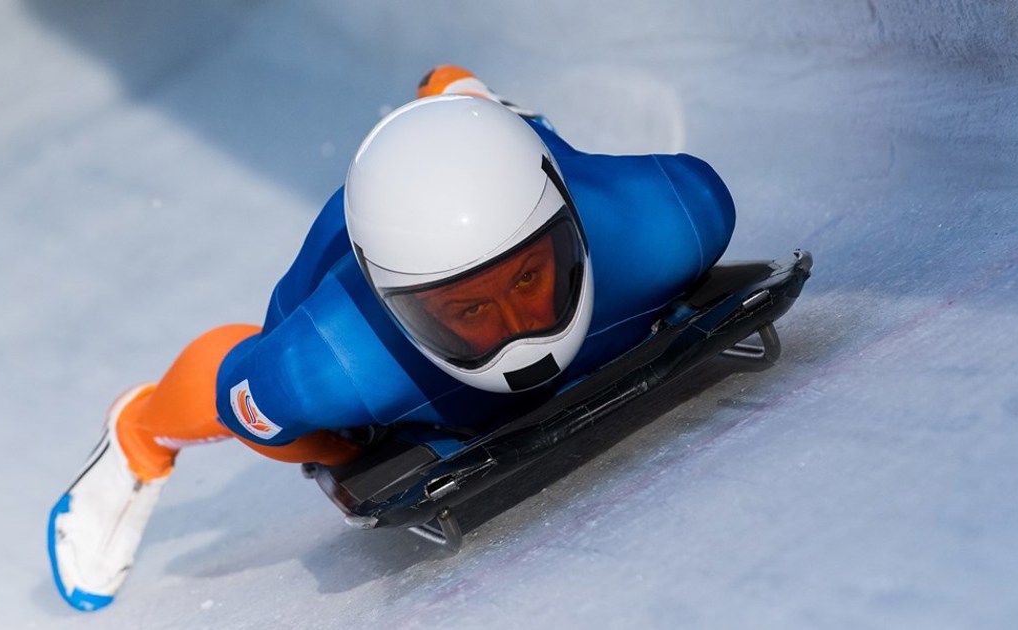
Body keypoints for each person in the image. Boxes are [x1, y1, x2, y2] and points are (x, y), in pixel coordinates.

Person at [47, 65, 735, 611]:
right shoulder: (323, 362)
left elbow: (546, 171)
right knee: (262, 383)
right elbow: (243, 400)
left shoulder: (676, 218)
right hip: (341, 274)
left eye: (529, 280)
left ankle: (460, 96)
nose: (515, 331)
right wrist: (339, 446)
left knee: (526, 140)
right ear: (395, 299)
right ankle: (137, 435)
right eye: (468, 310)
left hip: (547, 177)